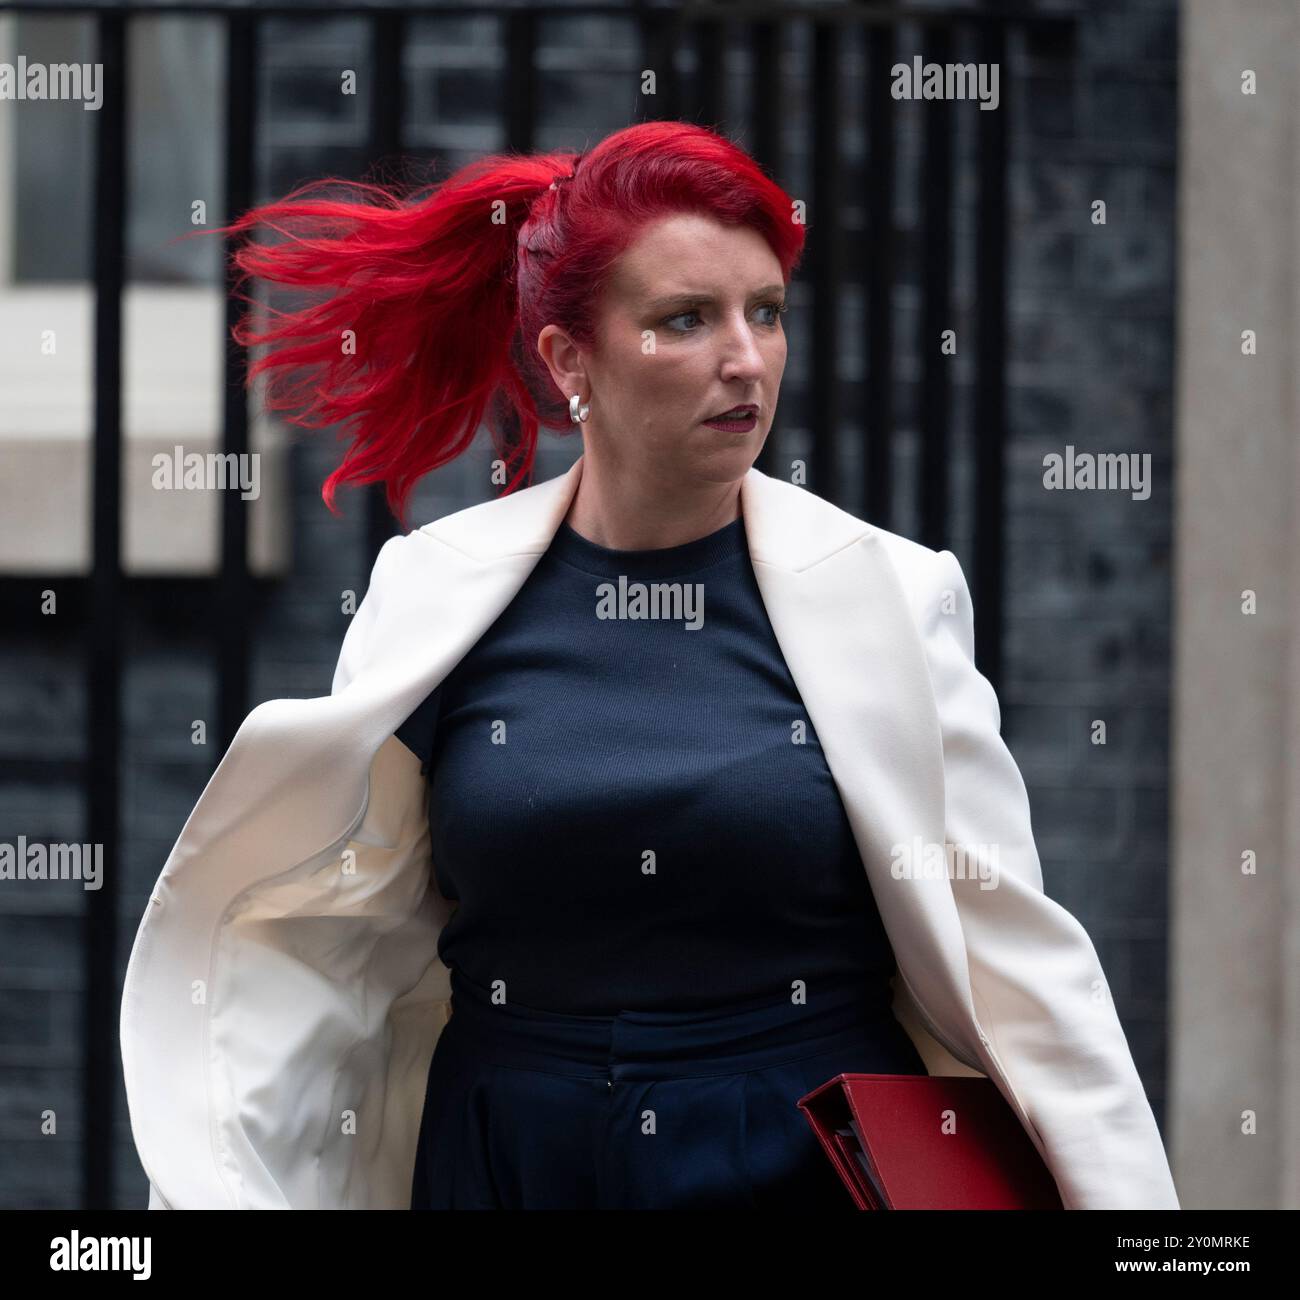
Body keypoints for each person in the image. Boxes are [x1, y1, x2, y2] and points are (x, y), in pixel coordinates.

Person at [120, 120, 1180, 1210]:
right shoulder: (435, 590)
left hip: (795, 1161)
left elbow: (1015, 962)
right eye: (686, 319)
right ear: (569, 360)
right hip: (506, 1161)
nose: (745, 358)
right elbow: (330, 933)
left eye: (764, 312)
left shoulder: (890, 596)